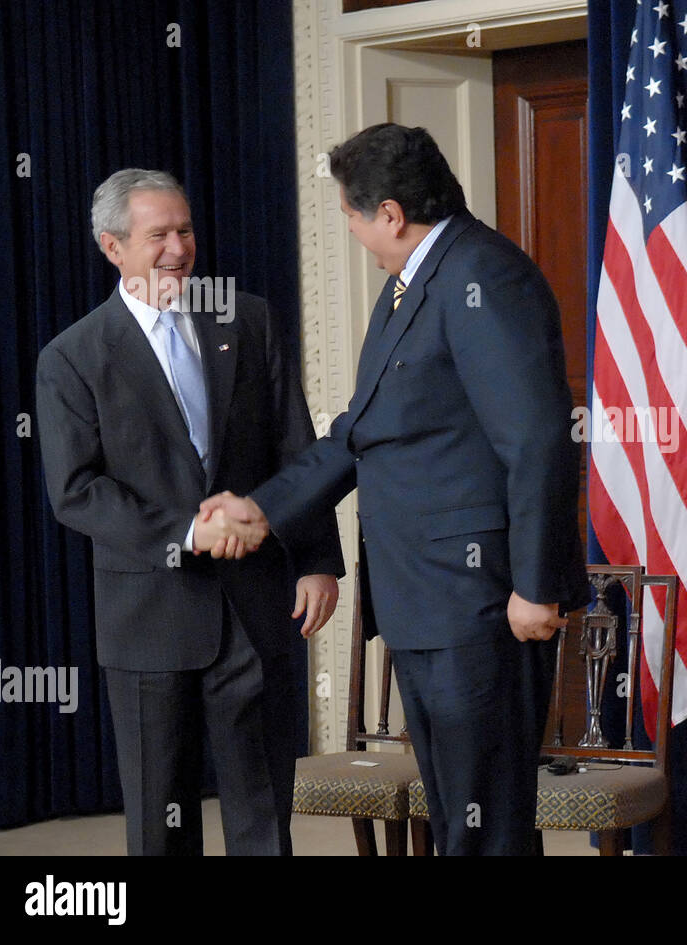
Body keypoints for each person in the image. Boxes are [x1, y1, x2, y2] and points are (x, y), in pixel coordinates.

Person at [202, 124, 589, 855]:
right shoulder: (407, 288)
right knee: (457, 822)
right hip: (423, 601)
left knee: (488, 821)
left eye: (349, 215)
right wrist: (261, 507)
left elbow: (538, 436)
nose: (350, 231)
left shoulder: (484, 275)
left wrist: (536, 584)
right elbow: (360, 431)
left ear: (387, 212)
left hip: (482, 602)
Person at [35, 169, 344, 855]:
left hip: (254, 606)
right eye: (159, 235)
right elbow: (76, 489)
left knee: (264, 814)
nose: (179, 248)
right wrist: (185, 531)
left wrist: (319, 562)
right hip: (148, 618)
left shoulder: (249, 319)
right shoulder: (73, 358)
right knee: (161, 822)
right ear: (113, 247)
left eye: (185, 230)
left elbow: (296, 451)